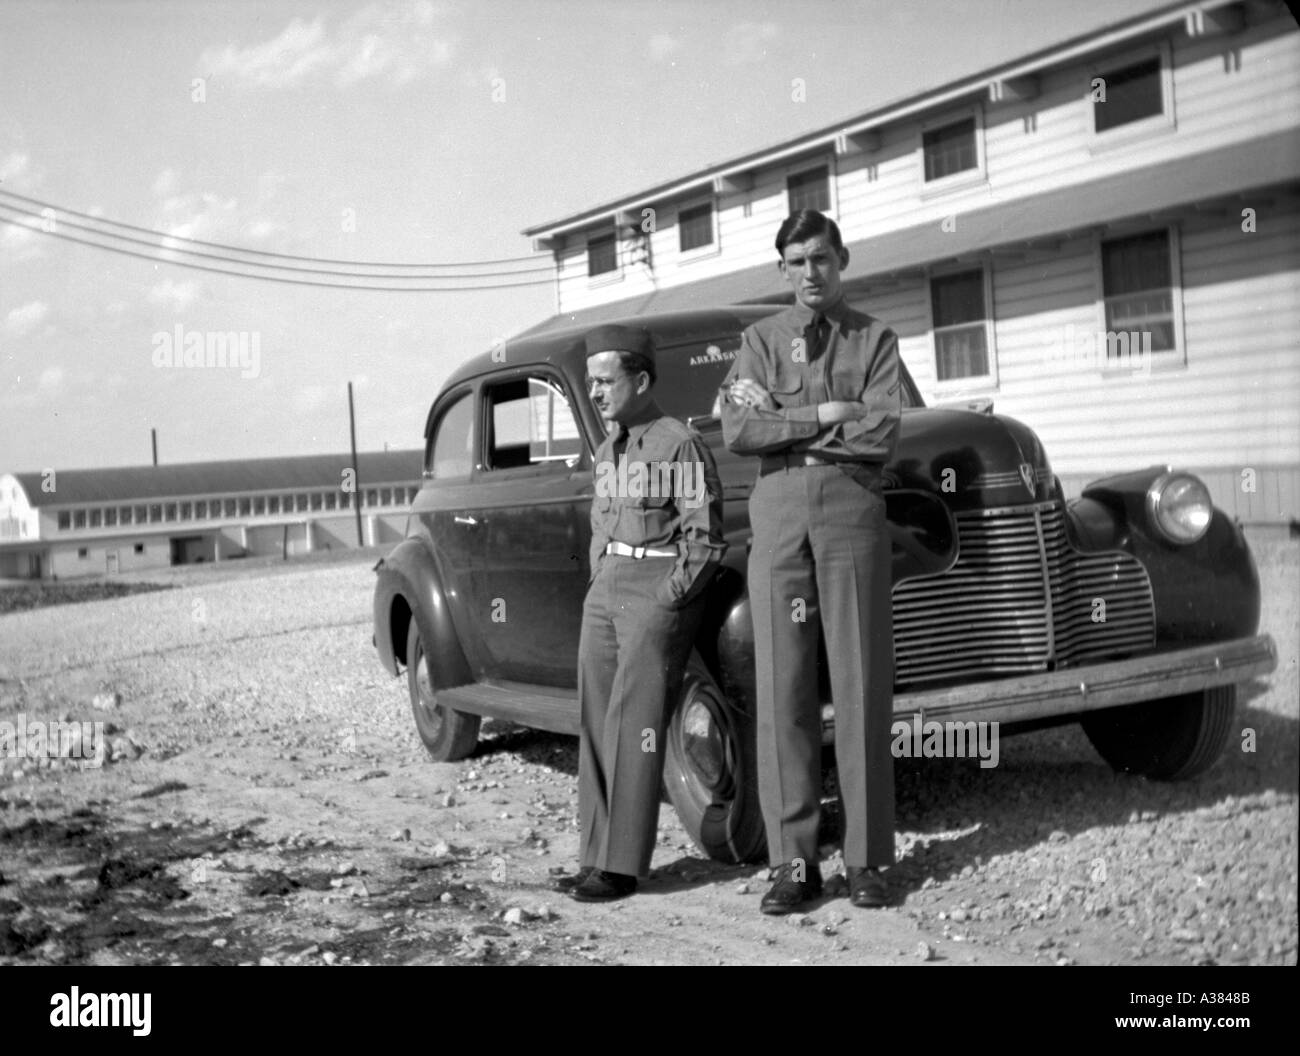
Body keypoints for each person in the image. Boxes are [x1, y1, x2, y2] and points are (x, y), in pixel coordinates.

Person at [720, 209, 902, 914]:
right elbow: (739, 426)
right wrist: (827, 416)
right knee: (783, 687)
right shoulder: (757, 342)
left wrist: (791, 426)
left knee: (860, 687)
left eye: (820, 258)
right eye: (794, 261)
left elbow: (883, 428)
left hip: (853, 510)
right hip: (778, 514)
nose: (809, 273)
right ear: (781, 269)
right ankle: (794, 865)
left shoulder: (876, 338)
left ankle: (867, 859)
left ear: (842, 259)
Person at [558, 323, 726, 902]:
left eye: (606, 381)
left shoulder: (677, 441)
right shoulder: (609, 448)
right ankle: (593, 857)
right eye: (591, 382)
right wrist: (600, 581)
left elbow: (704, 539)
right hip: (607, 588)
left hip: (656, 585)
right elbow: (602, 524)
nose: (596, 392)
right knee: (597, 718)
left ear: (642, 379)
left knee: (636, 725)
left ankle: (622, 866)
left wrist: (667, 600)